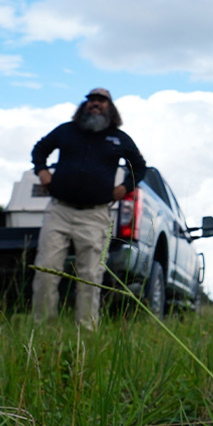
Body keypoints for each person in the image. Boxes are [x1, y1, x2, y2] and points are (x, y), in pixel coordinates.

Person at [29, 88, 148, 328]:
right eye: (91, 100)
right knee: (46, 269)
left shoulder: (119, 138)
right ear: (84, 105)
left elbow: (140, 166)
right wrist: (42, 171)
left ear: (110, 107)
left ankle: (86, 329)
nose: (95, 104)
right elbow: (39, 149)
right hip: (59, 211)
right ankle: (43, 328)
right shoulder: (66, 131)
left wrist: (124, 188)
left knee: (91, 275)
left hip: (95, 214)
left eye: (101, 101)